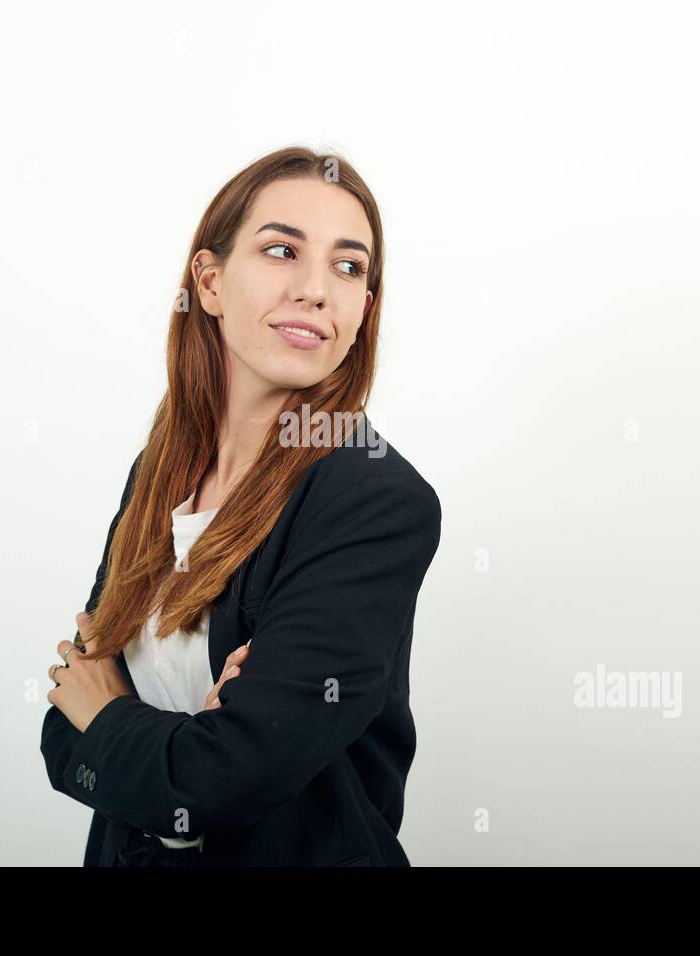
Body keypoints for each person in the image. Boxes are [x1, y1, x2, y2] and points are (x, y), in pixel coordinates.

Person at [40, 146, 442, 866]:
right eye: (283, 250)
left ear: (362, 311)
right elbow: (63, 731)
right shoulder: (159, 475)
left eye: (349, 268)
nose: (318, 290)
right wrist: (176, 741)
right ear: (211, 281)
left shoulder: (376, 502)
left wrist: (124, 724)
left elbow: (225, 778)